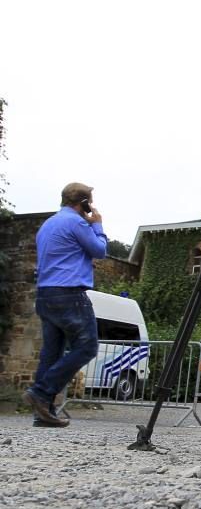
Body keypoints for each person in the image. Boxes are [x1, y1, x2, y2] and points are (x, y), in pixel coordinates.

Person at [22, 183, 108, 427]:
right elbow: (99, 250)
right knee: (87, 346)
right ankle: (41, 391)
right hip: (69, 293)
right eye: (89, 202)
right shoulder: (77, 223)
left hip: (45, 295)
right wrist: (97, 224)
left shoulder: (47, 225)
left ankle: (43, 413)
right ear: (83, 203)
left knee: (51, 353)